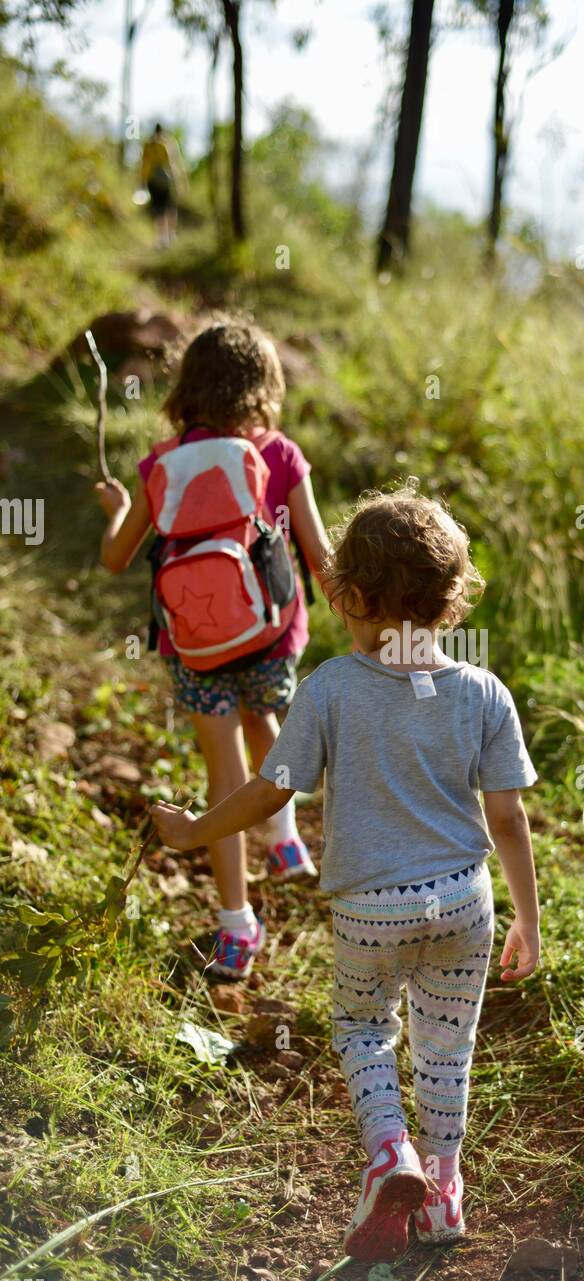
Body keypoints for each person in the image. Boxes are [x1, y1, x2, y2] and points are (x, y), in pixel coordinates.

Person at [150, 485, 541, 1261]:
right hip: (464, 903)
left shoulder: (329, 688)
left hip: (370, 910)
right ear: (449, 598)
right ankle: (445, 1193)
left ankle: (388, 1153)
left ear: (351, 595)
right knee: (445, 1048)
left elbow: (271, 790)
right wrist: (528, 919)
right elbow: (506, 821)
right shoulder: (484, 693)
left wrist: (196, 830)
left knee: (364, 1030)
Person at [96, 319, 331, 980]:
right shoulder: (279, 454)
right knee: (267, 724)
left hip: (194, 644)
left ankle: (236, 925)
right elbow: (322, 557)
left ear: (186, 384)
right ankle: (282, 835)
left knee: (221, 779)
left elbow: (116, 558)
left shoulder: (161, 462)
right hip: (272, 632)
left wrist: (117, 507)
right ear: (265, 386)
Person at [140, 123, 186, 249]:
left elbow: (144, 164)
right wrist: (178, 183)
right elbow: (171, 164)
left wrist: (142, 181)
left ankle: (161, 238)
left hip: (152, 181)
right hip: (165, 181)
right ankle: (169, 236)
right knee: (169, 207)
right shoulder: (166, 144)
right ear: (162, 132)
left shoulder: (147, 145)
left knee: (158, 209)